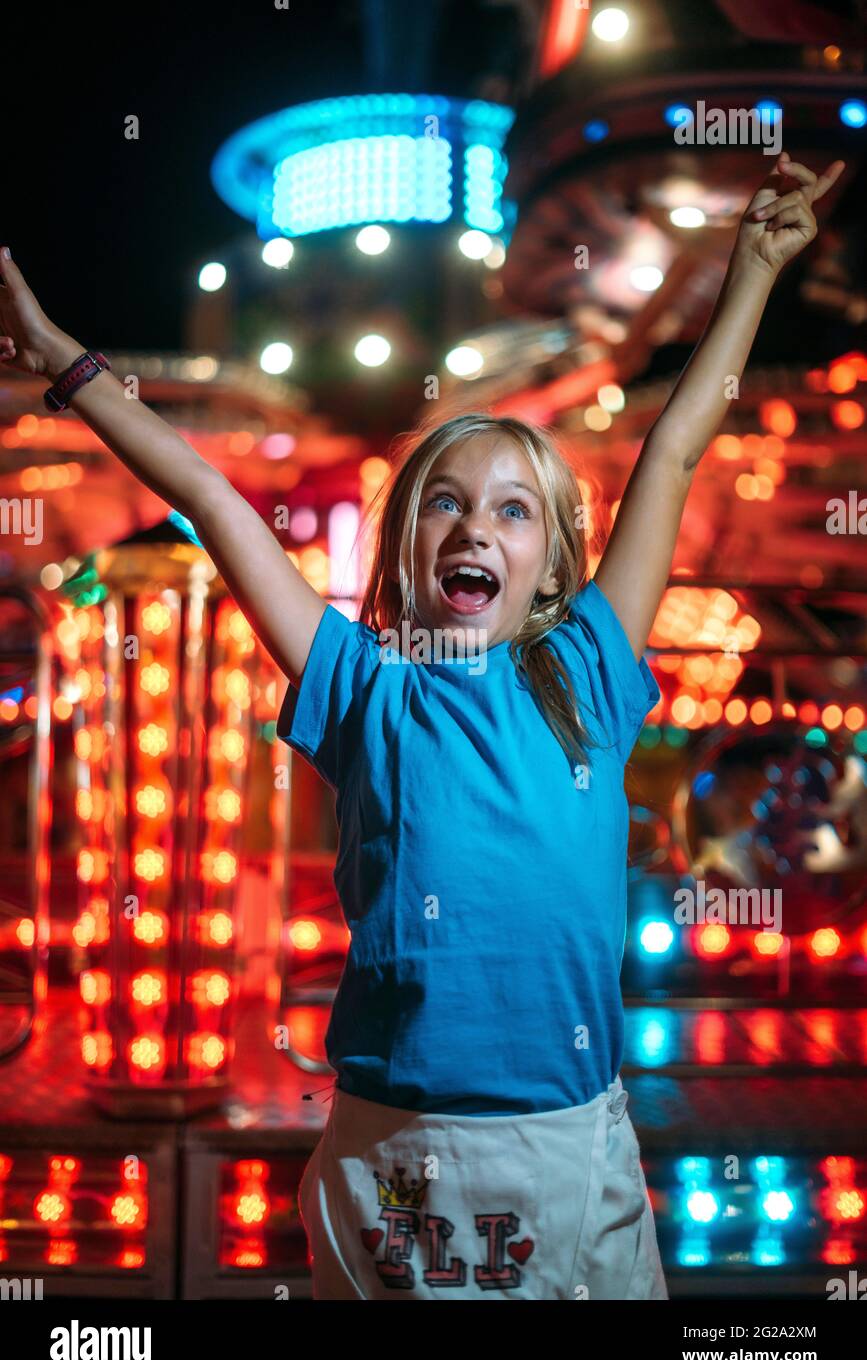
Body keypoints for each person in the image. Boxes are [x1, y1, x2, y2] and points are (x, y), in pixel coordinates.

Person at [0, 152, 844, 1299]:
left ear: (550, 567)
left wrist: (751, 270)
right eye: (445, 500)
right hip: (399, 1151)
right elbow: (210, 500)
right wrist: (66, 364)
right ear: (403, 547)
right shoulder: (362, 687)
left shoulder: (589, 665)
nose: (475, 528)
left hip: (574, 1142)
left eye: (512, 510)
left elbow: (681, 444)